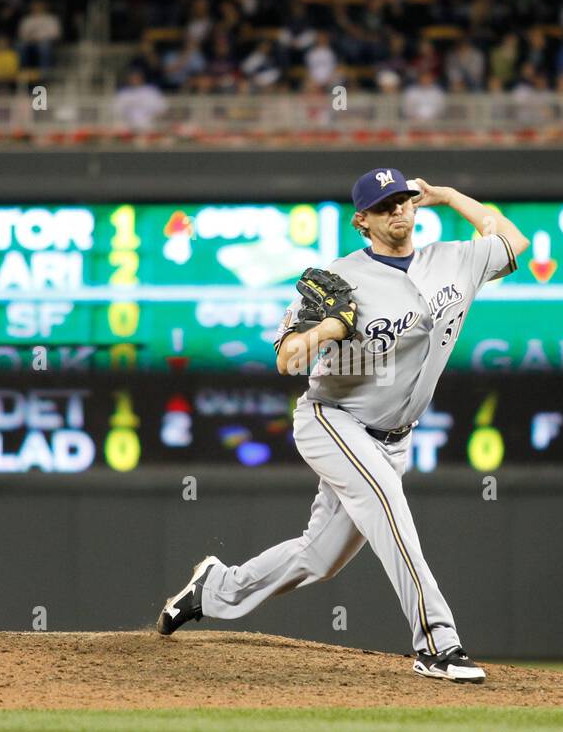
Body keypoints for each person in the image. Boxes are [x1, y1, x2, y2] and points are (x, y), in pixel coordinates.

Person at [157, 168, 531, 683]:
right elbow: (288, 359)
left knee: (319, 558)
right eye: (384, 205)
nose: (398, 210)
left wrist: (447, 195)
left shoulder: (454, 260)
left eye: (403, 200)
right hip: (332, 420)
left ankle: (215, 588)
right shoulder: (340, 277)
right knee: (389, 508)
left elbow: (513, 241)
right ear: (363, 220)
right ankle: (437, 642)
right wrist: (330, 326)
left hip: (393, 439)